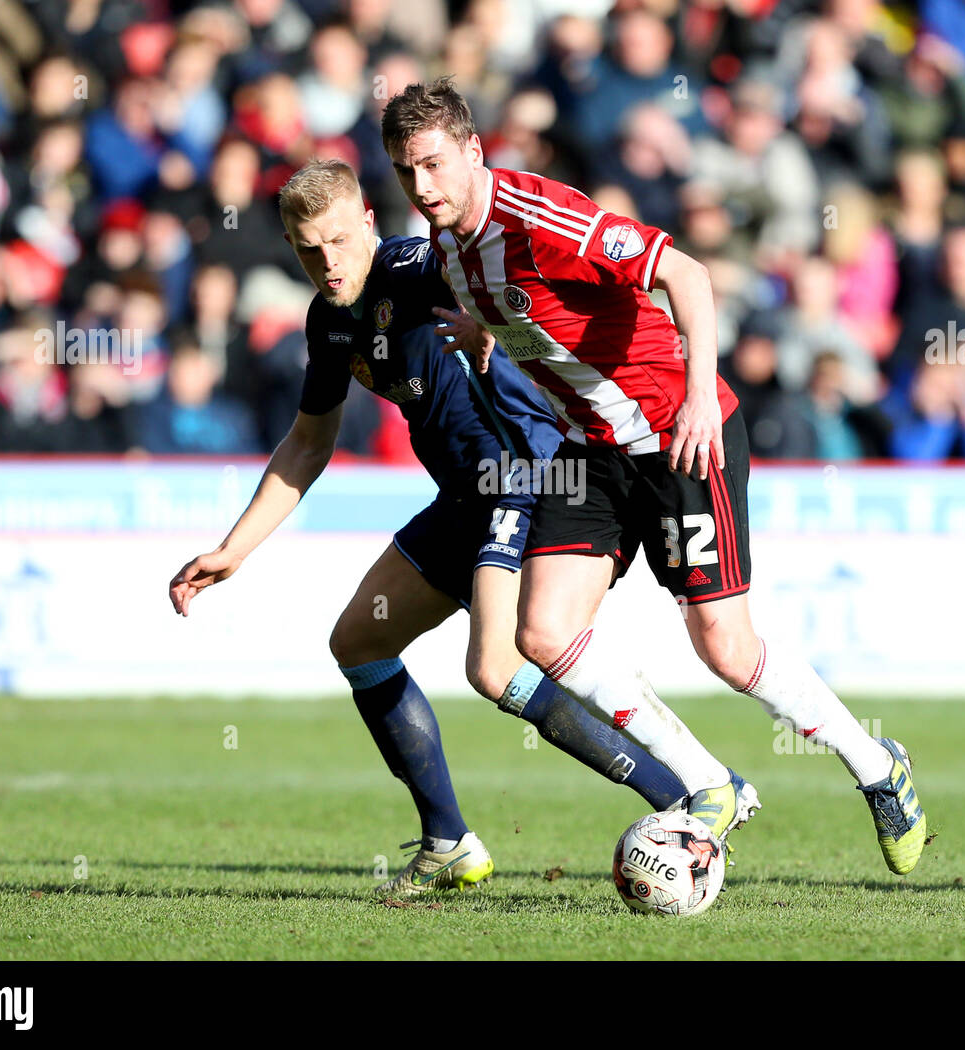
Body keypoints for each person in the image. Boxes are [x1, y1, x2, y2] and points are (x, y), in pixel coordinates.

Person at [382, 78, 927, 874]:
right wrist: (487, 330)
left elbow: (690, 276)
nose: (421, 186)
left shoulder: (539, 215)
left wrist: (702, 397)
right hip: (589, 449)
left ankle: (879, 769)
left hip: (677, 434)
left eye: (432, 164)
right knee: (541, 633)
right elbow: (537, 310)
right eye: (405, 171)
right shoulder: (450, 253)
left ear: (472, 151)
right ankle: (708, 785)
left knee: (727, 649)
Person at [168, 159, 709, 895]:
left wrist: (495, 333)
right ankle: (449, 841)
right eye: (306, 249)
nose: (327, 262)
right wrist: (236, 549)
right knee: (358, 640)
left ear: (367, 223)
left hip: (526, 473)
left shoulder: (416, 264)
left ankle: (684, 800)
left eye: (337, 240)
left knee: (493, 666)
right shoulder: (330, 324)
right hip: (466, 496)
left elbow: (526, 312)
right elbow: (307, 443)